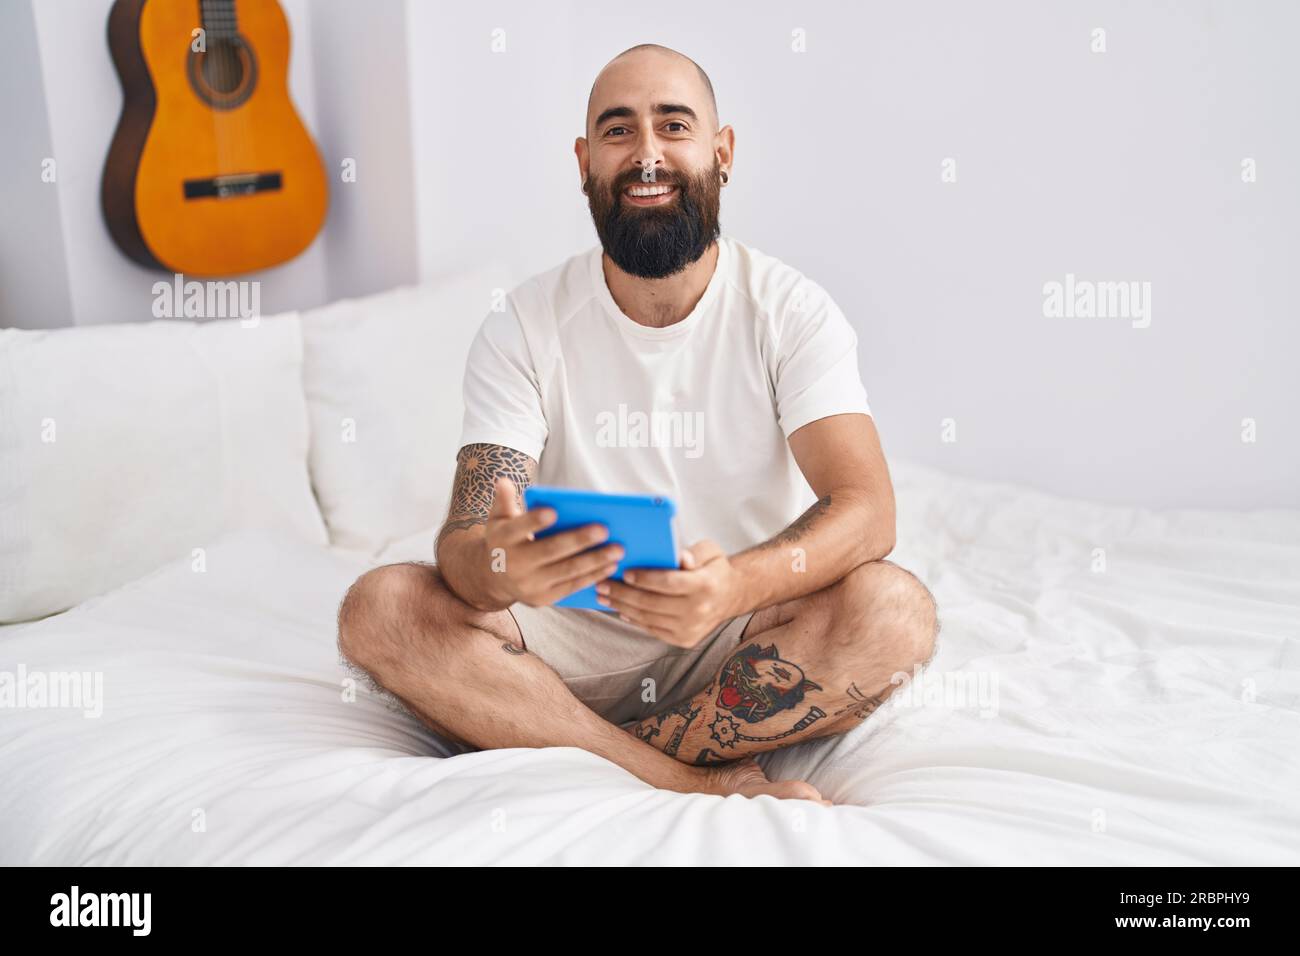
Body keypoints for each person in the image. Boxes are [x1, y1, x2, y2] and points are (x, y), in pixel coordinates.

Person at [338, 44, 939, 805]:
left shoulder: (792, 312)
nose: (647, 155)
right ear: (585, 163)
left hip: (728, 637)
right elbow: (462, 542)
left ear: (721, 154)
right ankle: (681, 779)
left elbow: (867, 508)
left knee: (894, 611)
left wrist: (730, 588)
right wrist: (498, 566)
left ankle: (549, 735)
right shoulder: (522, 323)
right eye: (619, 132)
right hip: (559, 635)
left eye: (674, 126)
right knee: (382, 608)